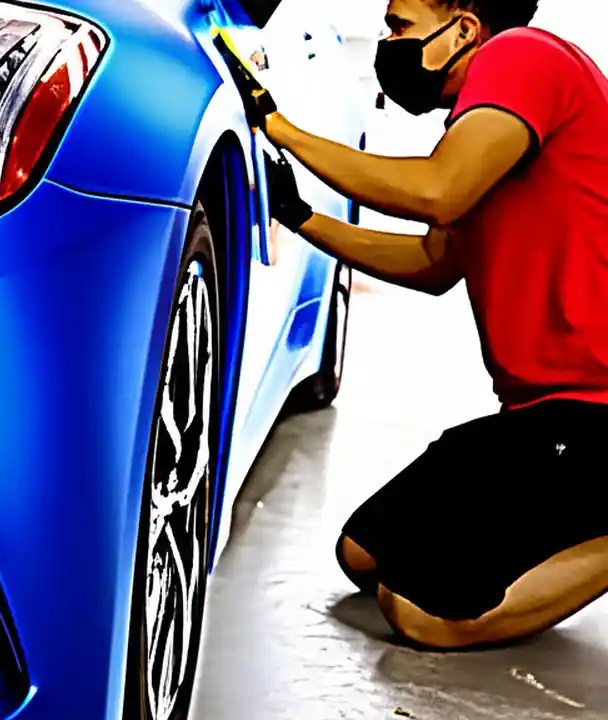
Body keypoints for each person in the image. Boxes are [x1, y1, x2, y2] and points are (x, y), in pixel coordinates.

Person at [233, 0, 608, 650]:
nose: (388, 42)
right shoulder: (490, 135)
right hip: (539, 414)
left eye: (399, 26)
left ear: (463, 27)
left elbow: (437, 190)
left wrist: (281, 129)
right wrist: (303, 219)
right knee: (363, 555)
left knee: (419, 611)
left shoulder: (522, 55)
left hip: (596, 413)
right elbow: (433, 263)